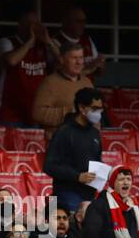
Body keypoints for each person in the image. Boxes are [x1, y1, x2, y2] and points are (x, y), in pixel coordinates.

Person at [42, 86, 104, 214]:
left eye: (100, 109)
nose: (98, 113)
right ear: (82, 108)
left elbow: (97, 160)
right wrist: (77, 176)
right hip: (67, 195)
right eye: (94, 109)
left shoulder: (95, 133)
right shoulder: (64, 132)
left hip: (90, 195)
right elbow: (49, 165)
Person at [0, 8, 58, 125]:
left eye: (36, 24)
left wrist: (49, 41)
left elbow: (63, 62)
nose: (33, 28)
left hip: (34, 111)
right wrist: (29, 42)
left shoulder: (43, 47)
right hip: (8, 112)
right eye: (29, 24)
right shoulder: (7, 42)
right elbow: (12, 61)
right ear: (20, 25)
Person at [32, 43, 95, 138]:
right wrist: (69, 112)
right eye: (74, 58)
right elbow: (37, 113)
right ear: (62, 60)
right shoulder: (50, 82)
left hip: (85, 142)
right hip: (59, 143)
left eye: (81, 58)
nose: (79, 62)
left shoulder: (87, 82)